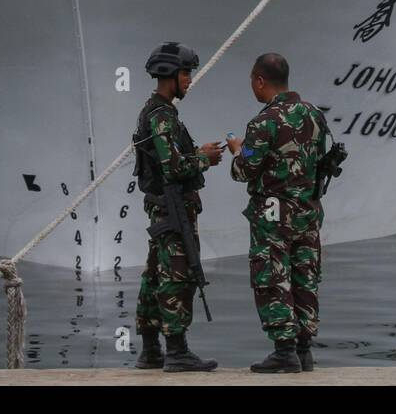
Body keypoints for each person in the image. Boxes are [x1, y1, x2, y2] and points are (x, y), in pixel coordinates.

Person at [227, 53, 328, 373]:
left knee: (273, 276)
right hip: (308, 211)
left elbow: (244, 171)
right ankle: (304, 349)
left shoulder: (262, 122)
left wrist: (237, 150)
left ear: (260, 81)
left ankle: (284, 351)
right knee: (305, 275)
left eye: (252, 82)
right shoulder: (314, 114)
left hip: (274, 214)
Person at [132, 42, 223, 373]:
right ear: (170, 74)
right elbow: (173, 169)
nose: (189, 80)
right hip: (173, 209)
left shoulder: (155, 111)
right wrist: (205, 159)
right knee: (178, 276)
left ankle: (150, 349)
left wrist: (197, 151)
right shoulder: (163, 116)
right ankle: (176, 350)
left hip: (162, 207)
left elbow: (164, 159)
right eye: (186, 73)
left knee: (155, 274)